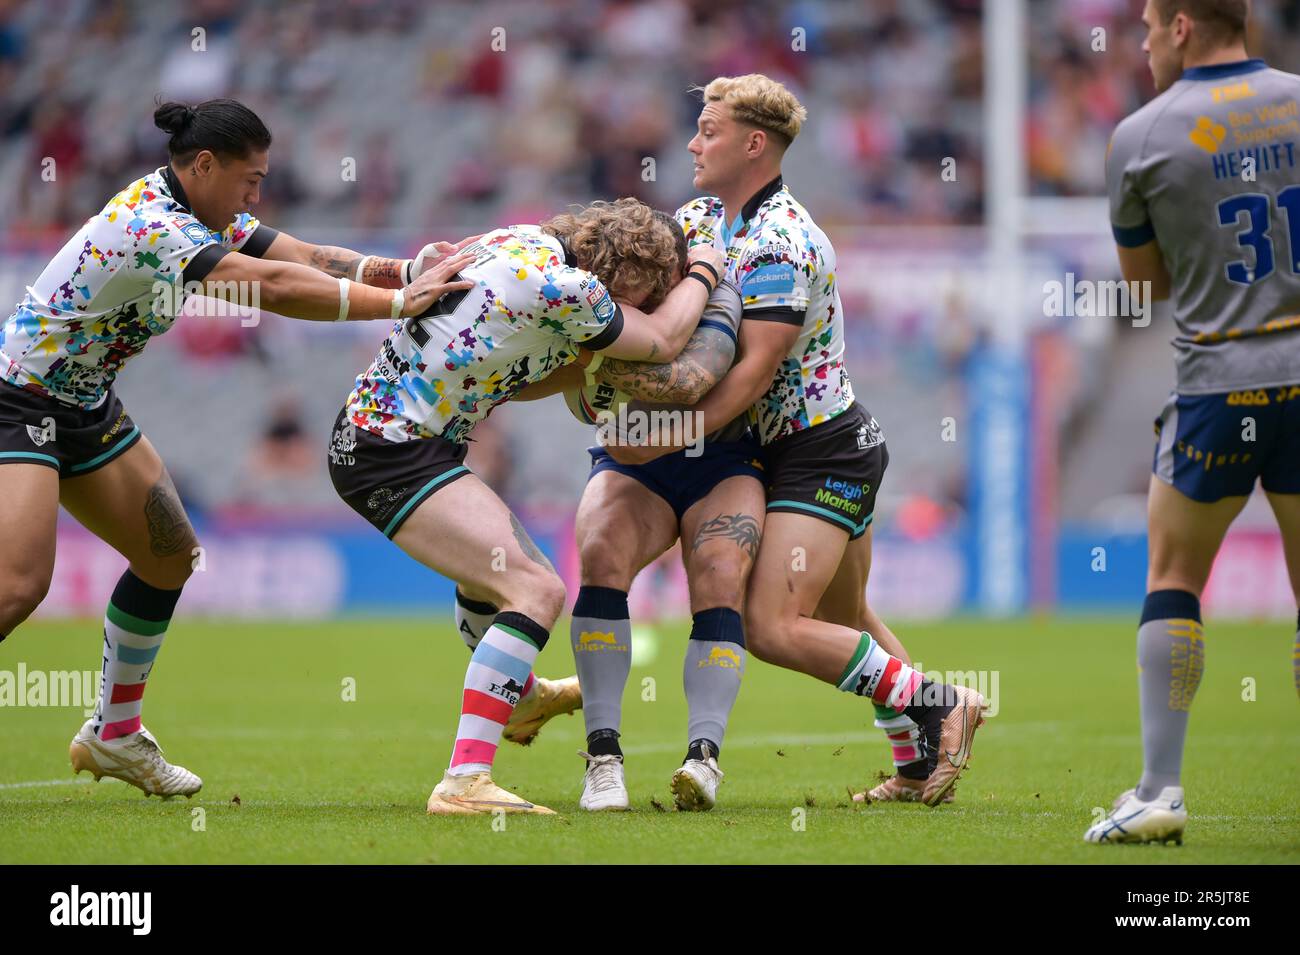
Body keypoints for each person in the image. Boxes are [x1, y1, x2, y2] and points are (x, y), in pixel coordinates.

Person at [0, 97, 474, 798]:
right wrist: (395, 307)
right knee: (18, 583)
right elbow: (276, 286)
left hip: (82, 401)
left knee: (168, 556)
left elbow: (308, 256)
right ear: (203, 165)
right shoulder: (152, 224)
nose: (257, 194)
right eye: (250, 180)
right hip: (21, 396)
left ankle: (114, 734)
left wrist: (408, 271)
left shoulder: (203, 214)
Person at [610, 74, 986, 807]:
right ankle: (916, 768)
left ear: (754, 144)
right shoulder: (698, 218)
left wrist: (662, 433)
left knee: (772, 624)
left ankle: (945, 702)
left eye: (709, 129)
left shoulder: (782, 242)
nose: (692, 141)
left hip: (824, 451)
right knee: (849, 621)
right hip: (793, 449)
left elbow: (750, 376)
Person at [327, 198, 726, 815]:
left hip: (389, 435)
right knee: (537, 590)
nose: (651, 298)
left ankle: (525, 699)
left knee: (493, 577)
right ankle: (463, 782)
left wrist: (591, 364)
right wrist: (703, 269)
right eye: (654, 284)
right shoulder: (569, 289)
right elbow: (665, 339)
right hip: (394, 449)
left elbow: (521, 369)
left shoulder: (518, 241)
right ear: (629, 271)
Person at [1085, 0, 1300, 845]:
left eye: (1145, 28)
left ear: (1181, 26)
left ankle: (1160, 789)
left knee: (1174, 574)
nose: (1138, 45)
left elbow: (1149, 286)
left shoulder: (1140, 136)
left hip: (1220, 379)